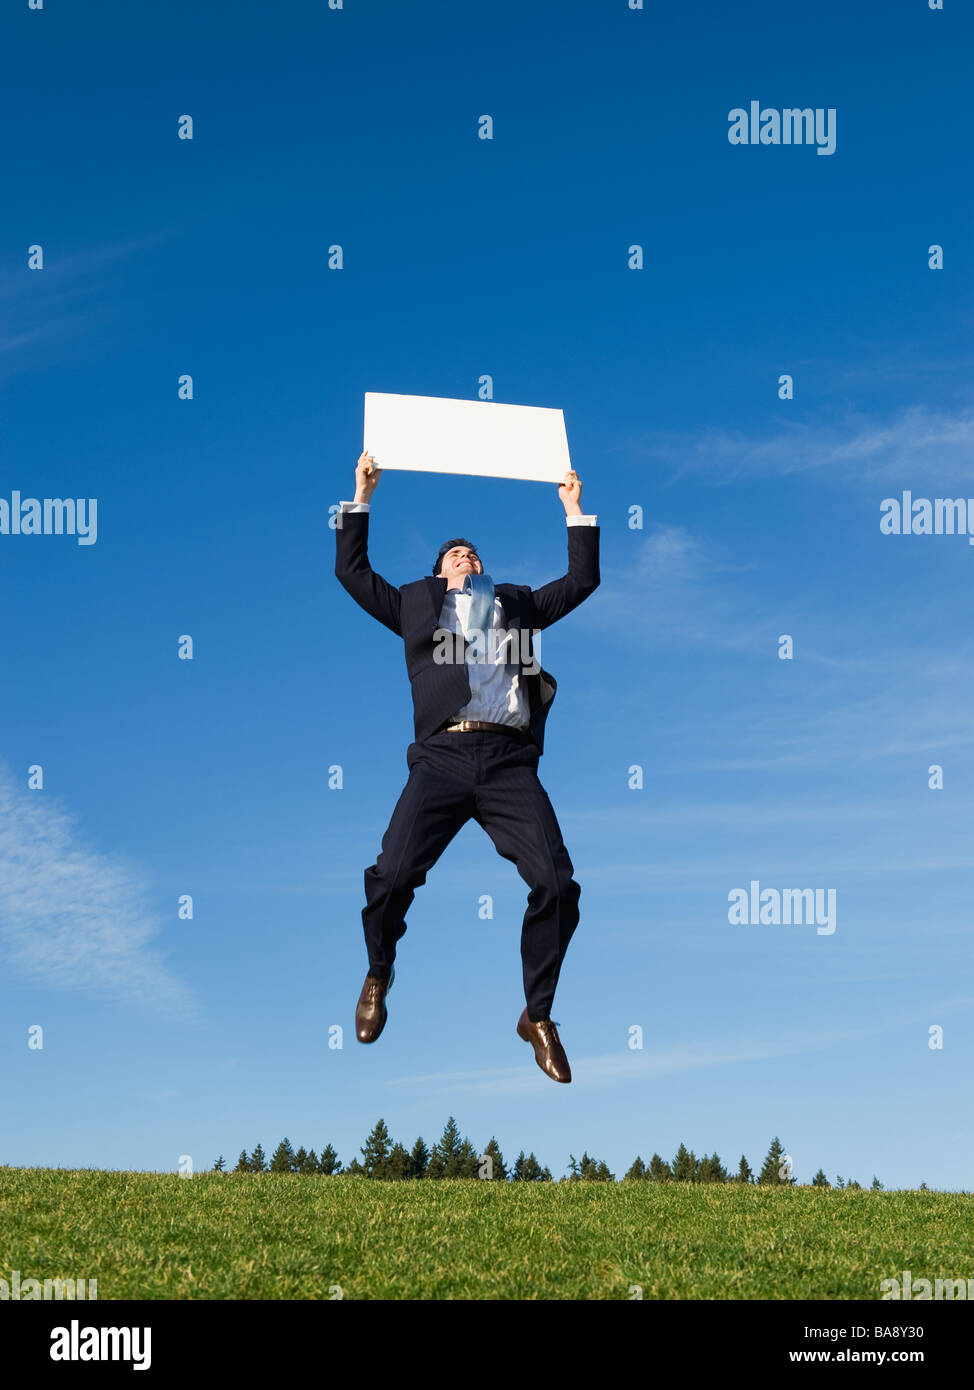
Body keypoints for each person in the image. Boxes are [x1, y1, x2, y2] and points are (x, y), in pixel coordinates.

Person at [334, 450, 600, 1082]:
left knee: (558, 886)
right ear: (437, 572)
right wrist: (362, 496)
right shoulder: (414, 606)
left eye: (472, 552)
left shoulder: (515, 604)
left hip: (509, 761)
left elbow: (581, 582)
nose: (465, 555)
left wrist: (573, 510)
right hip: (441, 757)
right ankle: (378, 971)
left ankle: (537, 1014)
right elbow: (352, 572)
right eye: (453, 553)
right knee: (392, 873)